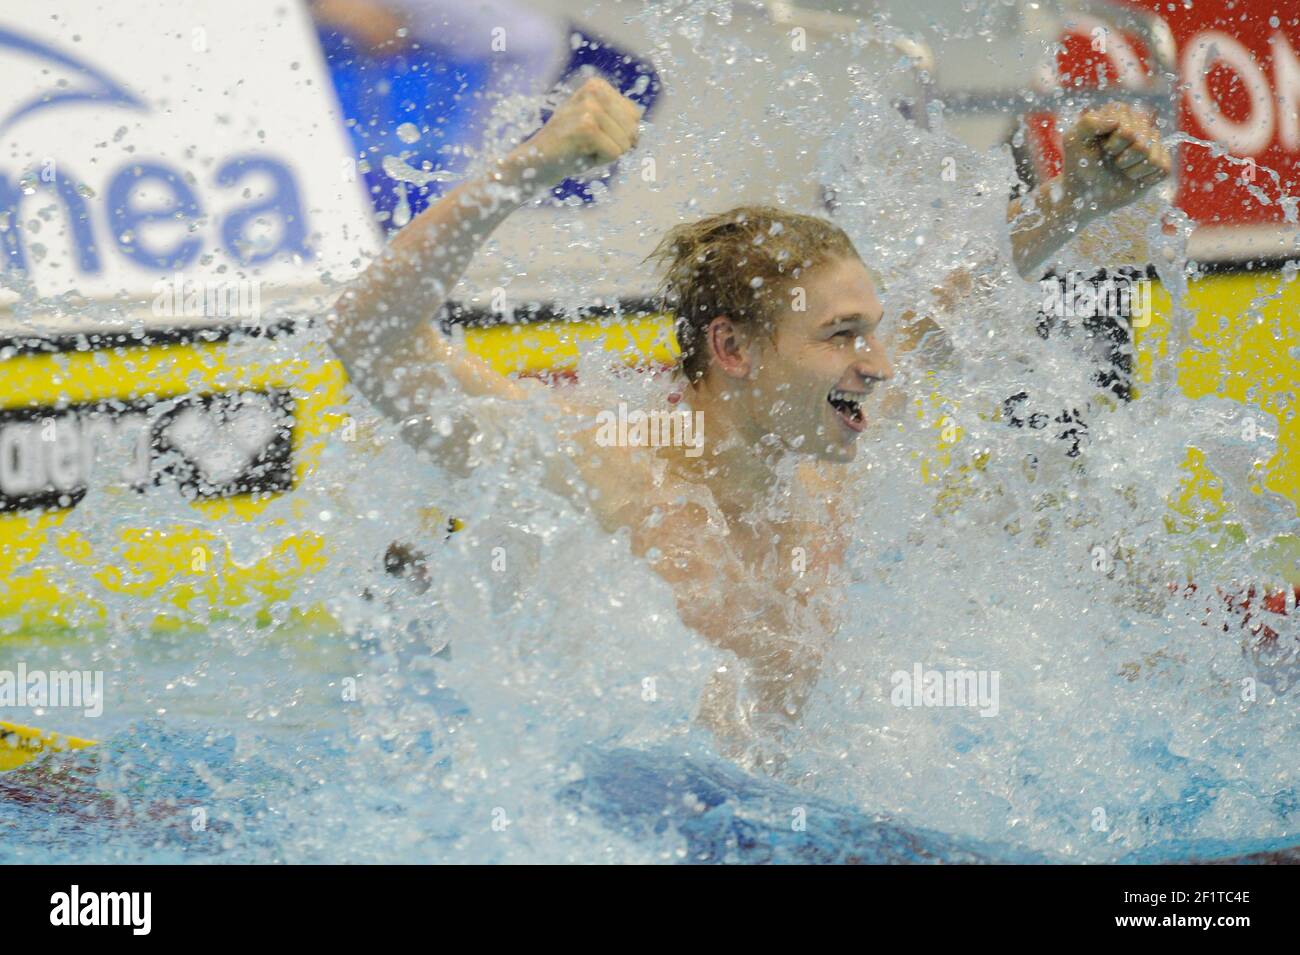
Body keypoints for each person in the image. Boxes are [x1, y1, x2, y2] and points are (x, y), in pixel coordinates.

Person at [327, 77, 1170, 762]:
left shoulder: (813, 455)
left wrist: (1077, 200)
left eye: (871, 332)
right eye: (843, 336)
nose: (878, 365)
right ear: (732, 347)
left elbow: (960, 301)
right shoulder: (599, 464)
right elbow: (370, 337)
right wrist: (530, 166)